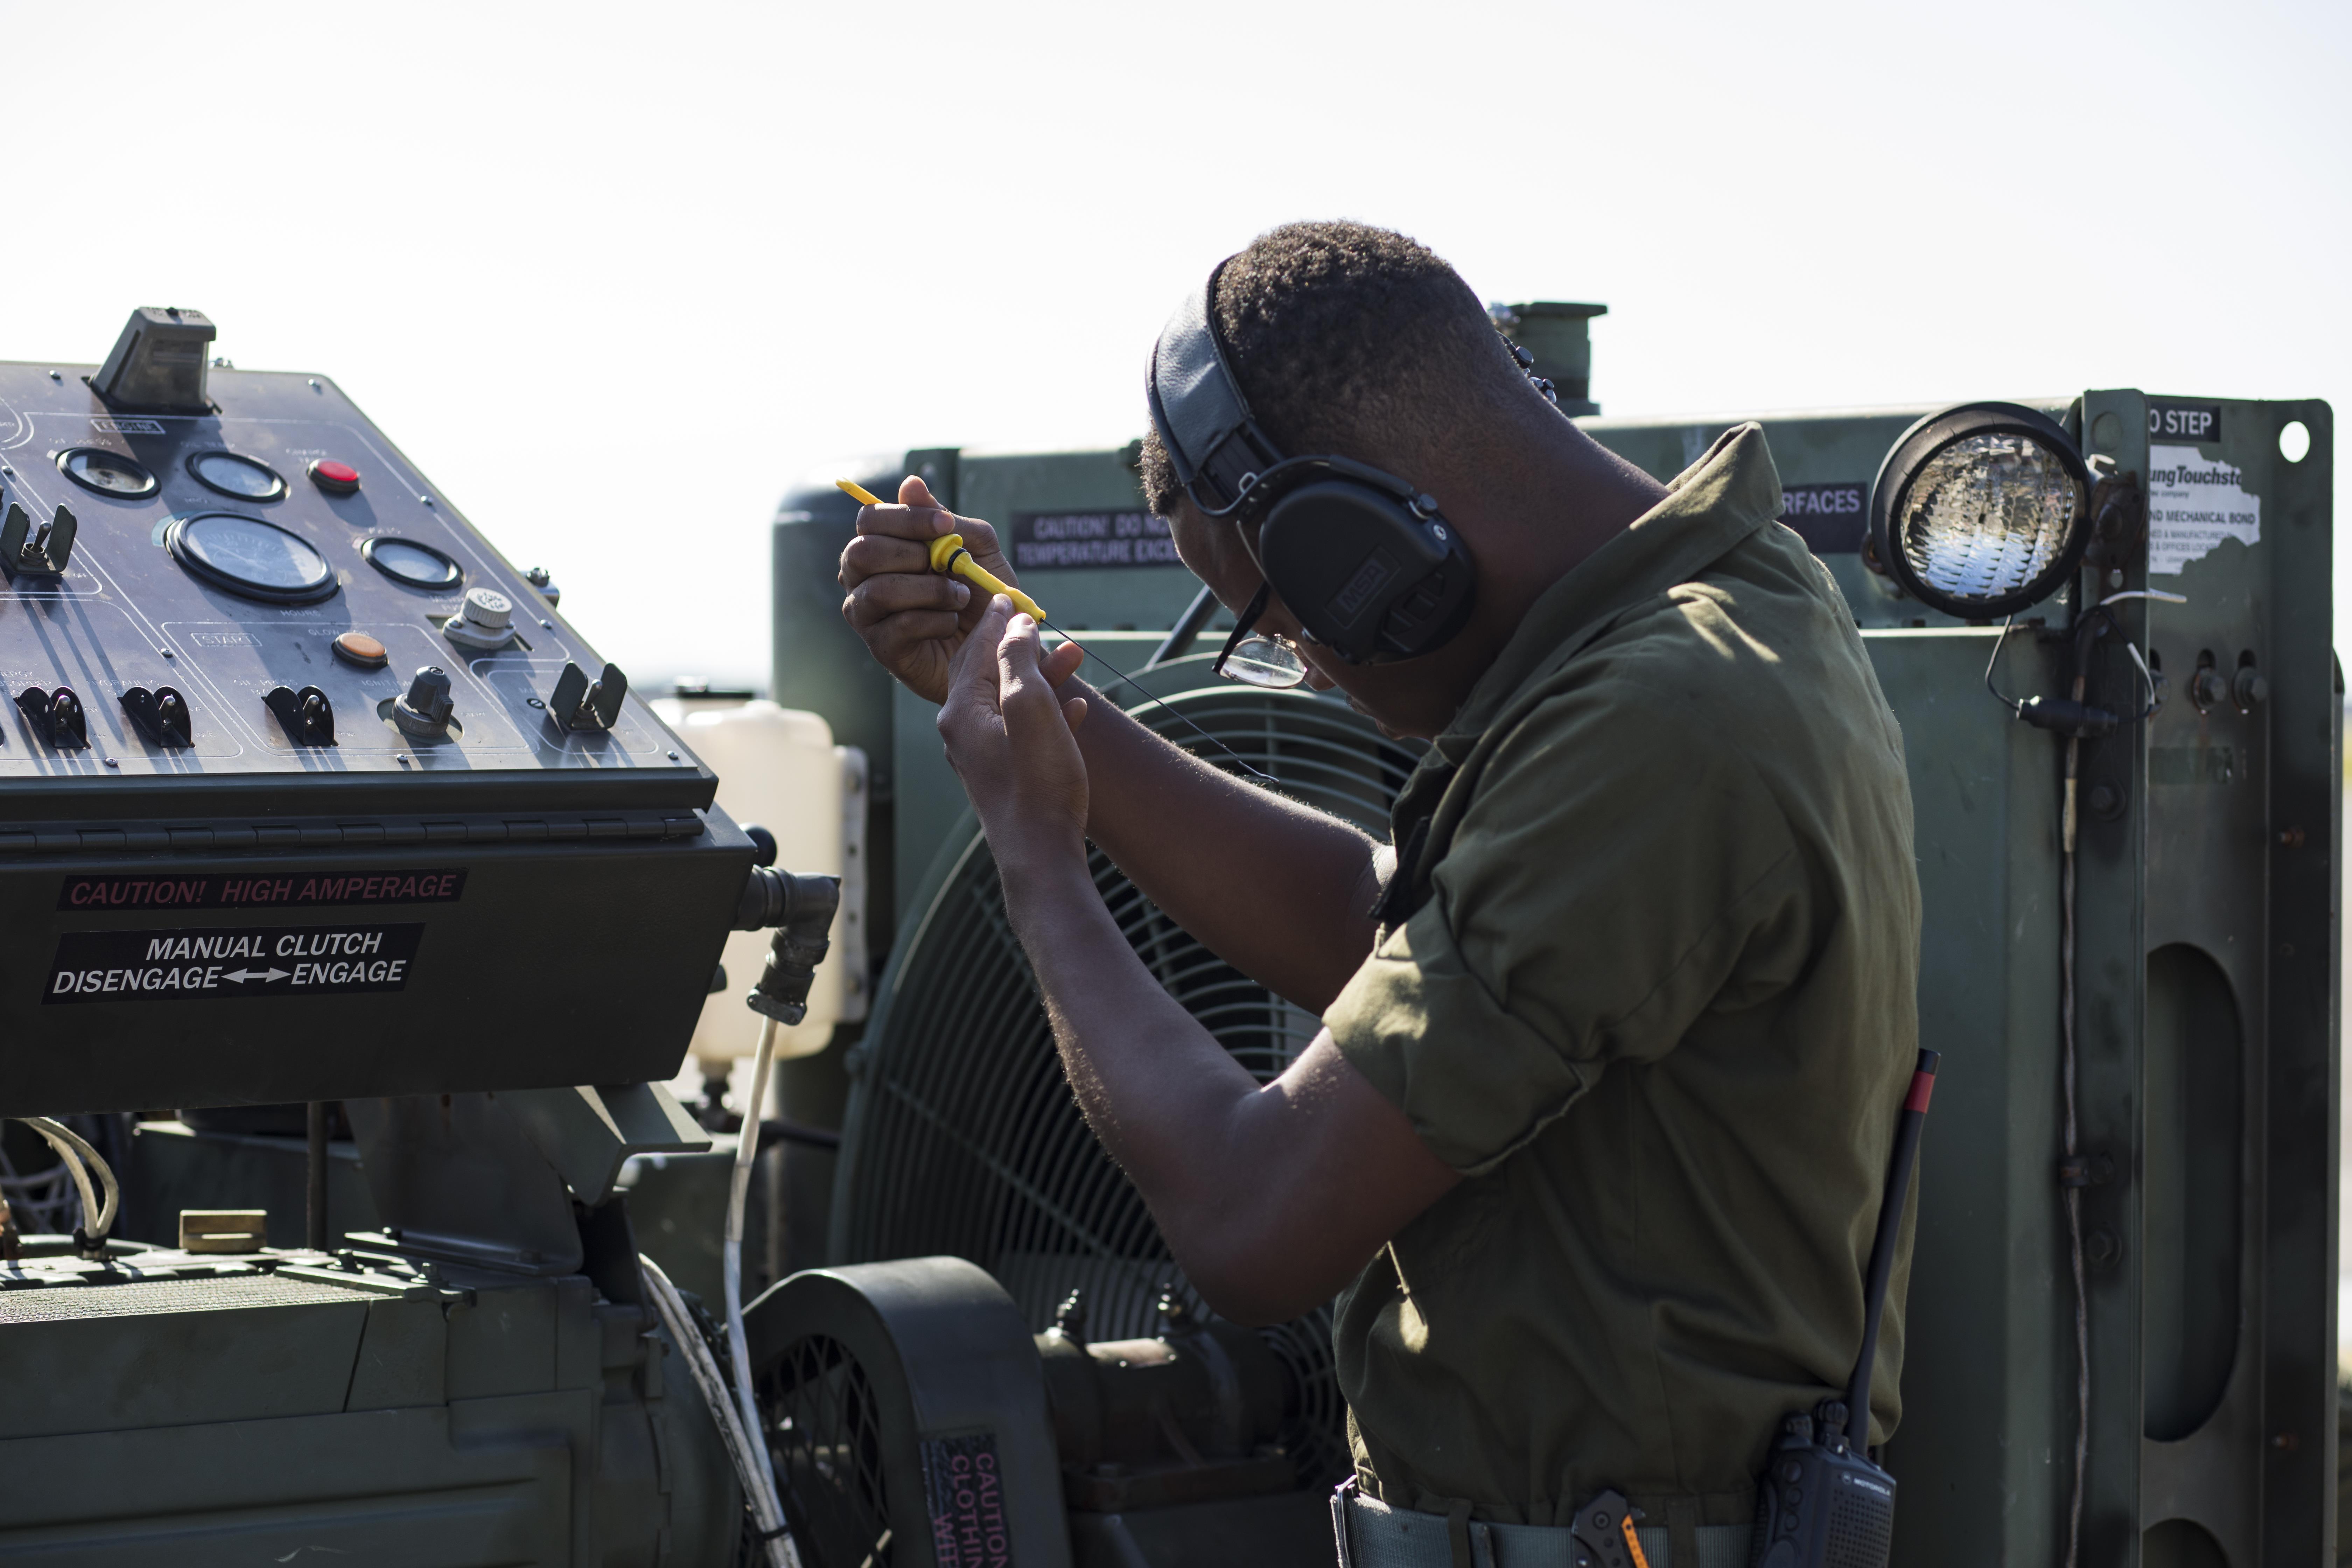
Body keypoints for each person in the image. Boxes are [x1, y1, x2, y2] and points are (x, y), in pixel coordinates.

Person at [838, 220, 1920, 1564]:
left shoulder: (1661, 719)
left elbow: (1251, 1224)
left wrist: (1036, 854)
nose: (1308, 662)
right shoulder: (1720, 610)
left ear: (1367, 549)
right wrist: (1049, 722)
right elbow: (1397, 944)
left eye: (1281, 623)